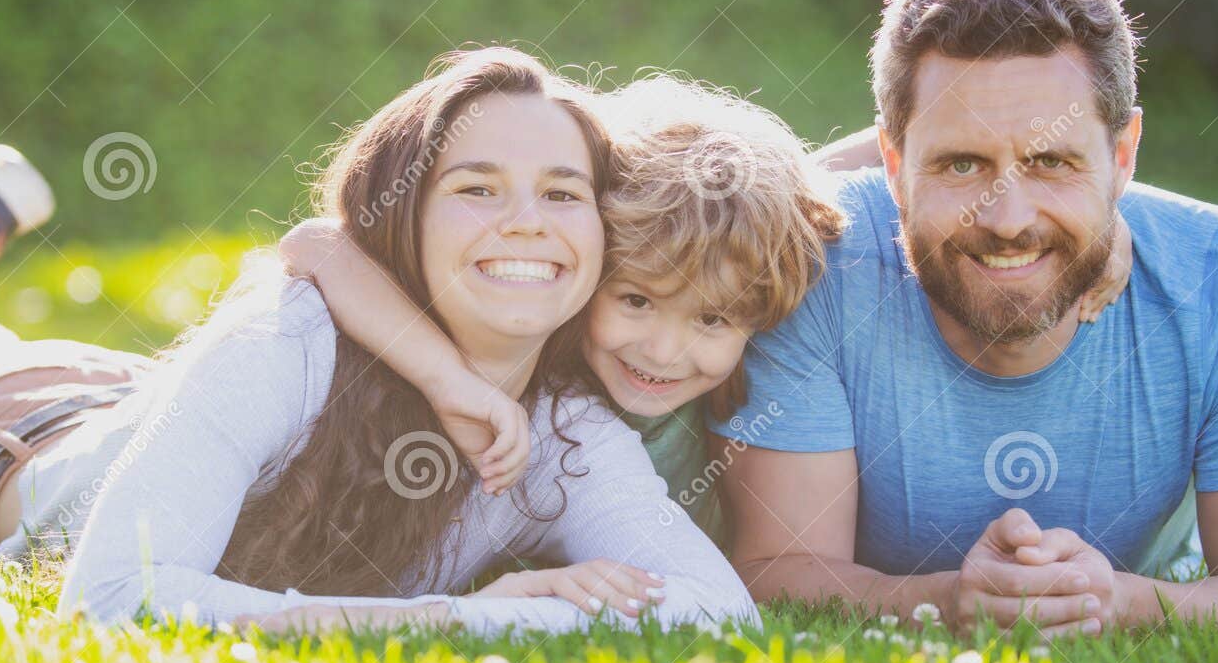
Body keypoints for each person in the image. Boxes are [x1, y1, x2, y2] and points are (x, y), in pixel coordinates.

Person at [0, 49, 757, 637]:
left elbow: (716, 609)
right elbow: (112, 600)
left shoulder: (567, 428)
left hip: (144, 401)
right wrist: (477, 616)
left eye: (560, 192)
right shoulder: (285, 339)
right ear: (400, 215)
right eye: (475, 187)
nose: (527, 222)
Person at [713, 0, 1218, 637]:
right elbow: (776, 569)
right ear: (893, 163)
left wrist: (1118, 600)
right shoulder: (814, 263)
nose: (1008, 220)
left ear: (1123, 155)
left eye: (1050, 161)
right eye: (961, 164)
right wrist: (949, 601)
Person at [277, 74, 1130, 554]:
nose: (664, 348)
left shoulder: (750, 357)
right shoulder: (517, 336)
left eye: (715, 321)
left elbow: (873, 164)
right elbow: (318, 243)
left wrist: (1103, 220)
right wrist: (443, 375)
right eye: (637, 300)